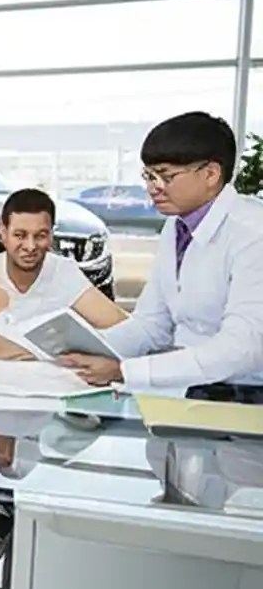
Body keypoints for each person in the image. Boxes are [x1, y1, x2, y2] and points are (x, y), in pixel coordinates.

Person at [61, 112, 263, 391]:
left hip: (245, 394)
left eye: (166, 176)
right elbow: (151, 326)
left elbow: (242, 349)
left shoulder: (253, 232)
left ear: (211, 174)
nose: (153, 188)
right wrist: (87, 349)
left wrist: (123, 371)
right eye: (149, 176)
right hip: (188, 386)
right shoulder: (175, 227)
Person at [0, 189, 127, 361]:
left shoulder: (63, 271)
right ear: (3, 233)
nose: (30, 246)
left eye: (40, 236)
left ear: (51, 235)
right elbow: (0, 344)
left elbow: (119, 324)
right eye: (20, 235)